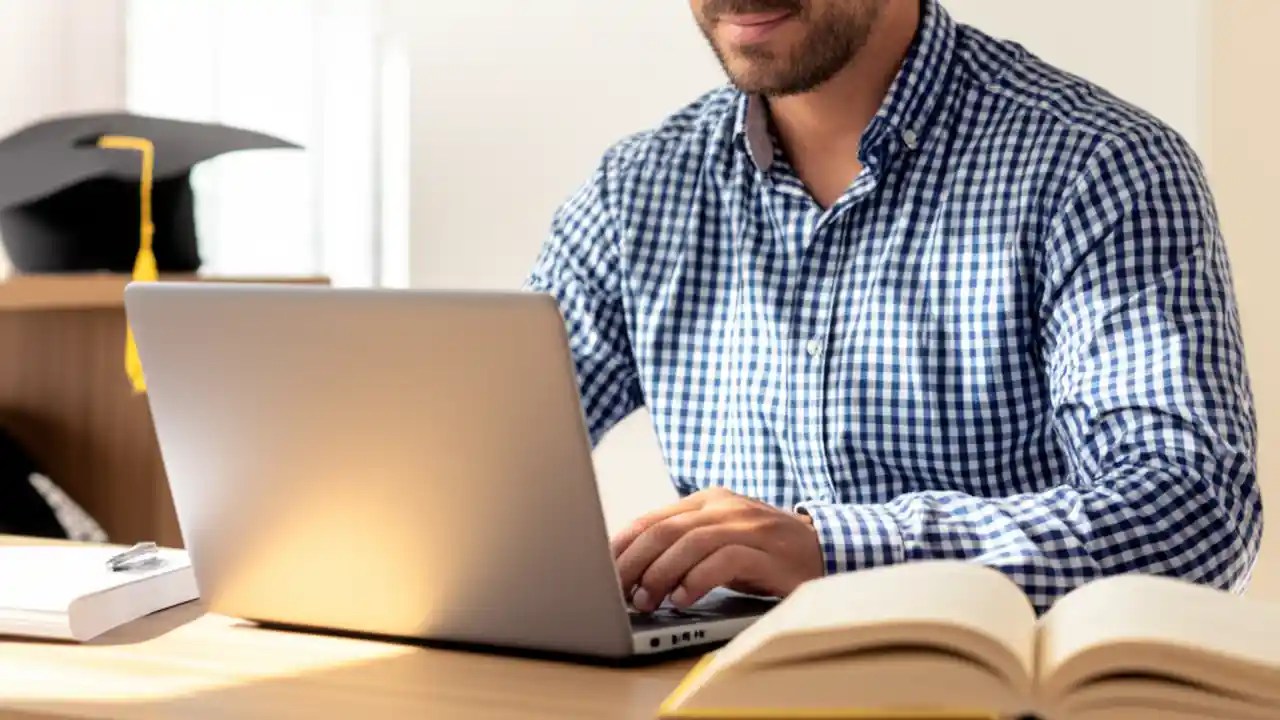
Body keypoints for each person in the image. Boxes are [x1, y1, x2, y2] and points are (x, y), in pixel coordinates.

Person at [525, 0, 1263, 614]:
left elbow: (1194, 512)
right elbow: (482, 464)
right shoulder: (637, 193)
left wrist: (833, 551)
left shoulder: (1100, 168)